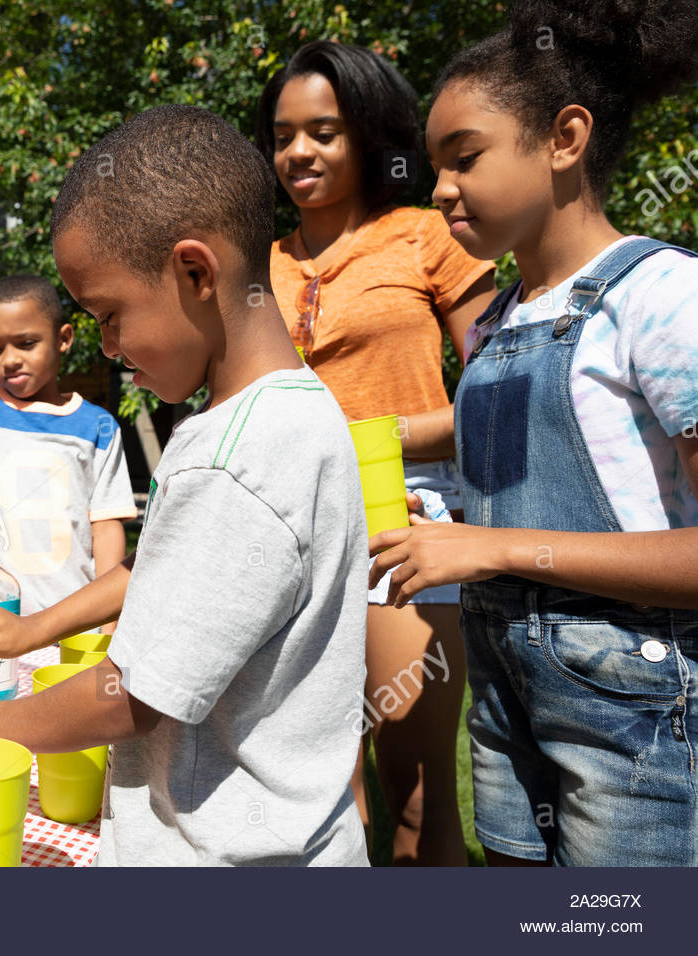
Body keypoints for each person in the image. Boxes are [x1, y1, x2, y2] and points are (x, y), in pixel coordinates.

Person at [0, 105, 370, 866]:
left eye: (109, 315)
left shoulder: (233, 460)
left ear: (196, 272)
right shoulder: (282, 417)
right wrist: (27, 632)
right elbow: (171, 571)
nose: (106, 346)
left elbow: (136, 695)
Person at [372, 0, 698, 866]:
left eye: (464, 158)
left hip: (634, 728)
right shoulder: (500, 325)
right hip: (503, 703)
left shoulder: (660, 299)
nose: (438, 188)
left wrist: (491, 547)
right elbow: (501, 449)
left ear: (565, 138)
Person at [256, 41, 496, 865]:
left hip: (404, 519)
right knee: (318, 791)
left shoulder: (426, 236)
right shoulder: (262, 264)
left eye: (323, 132)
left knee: (418, 795)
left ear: (367, 134)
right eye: (284, 135)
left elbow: (501, 389)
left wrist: (387, 433)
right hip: (287, 525)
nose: (298, 152)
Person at [0, 276, 136, 622]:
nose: (9, 360)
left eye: (25, 343)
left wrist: (108, 619)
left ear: (64, 338)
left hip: (70, 623)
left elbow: (106, 526)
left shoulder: (99, 426)